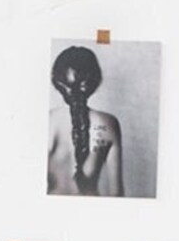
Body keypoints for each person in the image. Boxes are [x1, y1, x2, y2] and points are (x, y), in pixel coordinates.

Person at [47, 45, 123, 197]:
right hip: (93, 216)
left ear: (58, 83)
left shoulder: (46, 121)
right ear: (93, 83)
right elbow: (117, 194)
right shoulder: (109, 124)